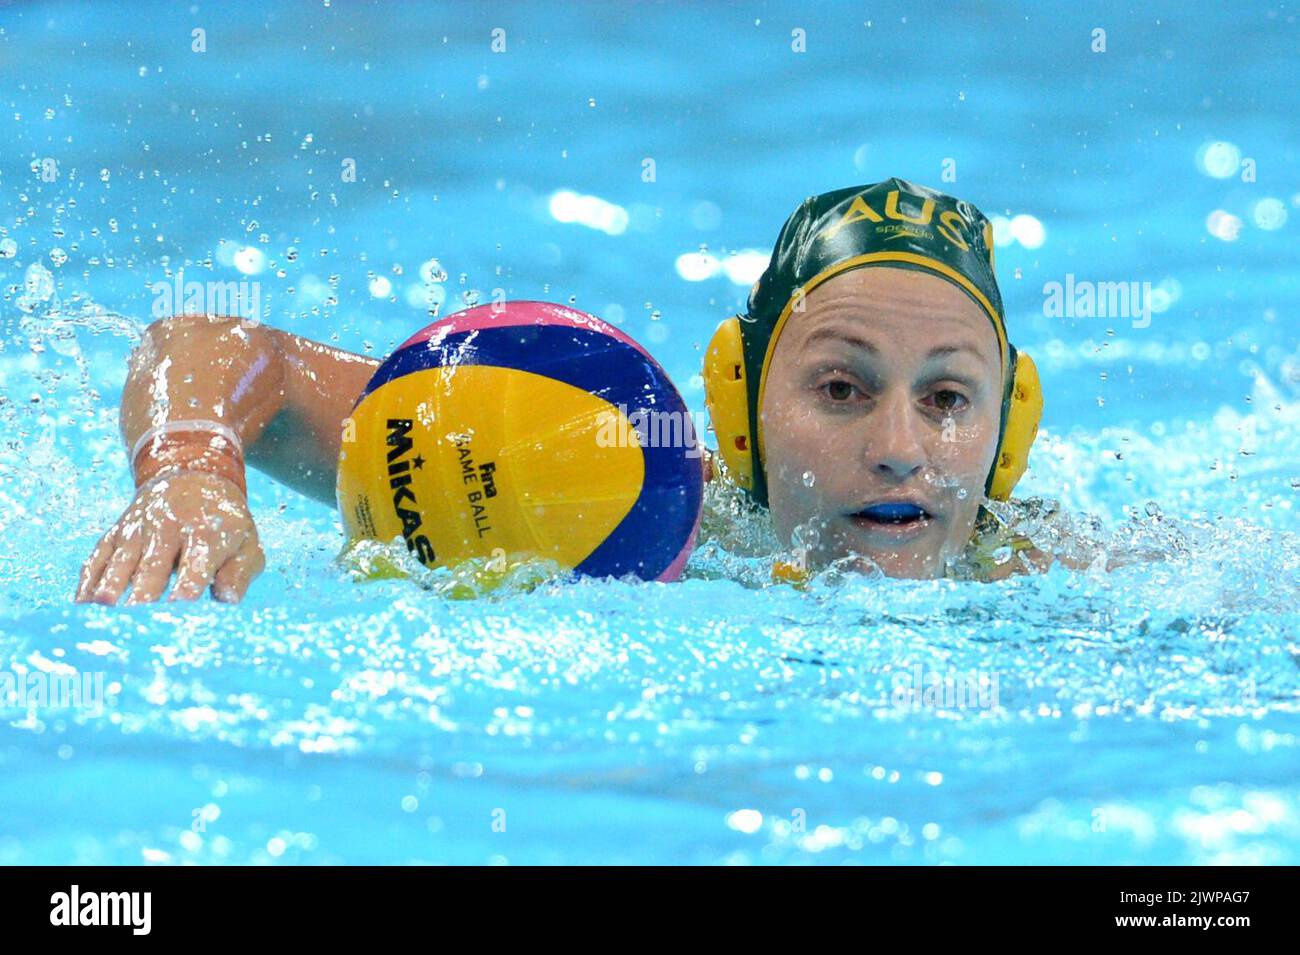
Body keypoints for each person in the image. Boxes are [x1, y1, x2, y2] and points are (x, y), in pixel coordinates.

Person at [75, 177, 1063, 605]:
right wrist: (190, 472)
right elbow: (212, 340)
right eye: (842, 388)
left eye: (947, 400)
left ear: (1006, 430)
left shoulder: (1068, 581)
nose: (899, 446)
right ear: (740, 408)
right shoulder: (623, 488)